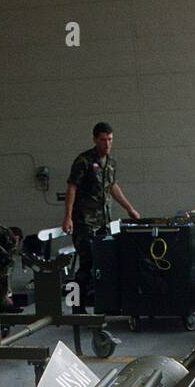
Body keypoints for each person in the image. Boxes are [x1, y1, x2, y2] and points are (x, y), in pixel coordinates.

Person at [62, 122, 140, 305]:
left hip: (104, 221)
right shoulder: (84, 161)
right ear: (95, 139)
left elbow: (112, 187)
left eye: (110, 139)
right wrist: (68, 216)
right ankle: (77, 306)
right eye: (103, 140)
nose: (107, 144)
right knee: (87, 264)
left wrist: (129, 208)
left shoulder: (111, 163)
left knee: (105, 262)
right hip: (85, 222)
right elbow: (72, 187)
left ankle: (101, 302)